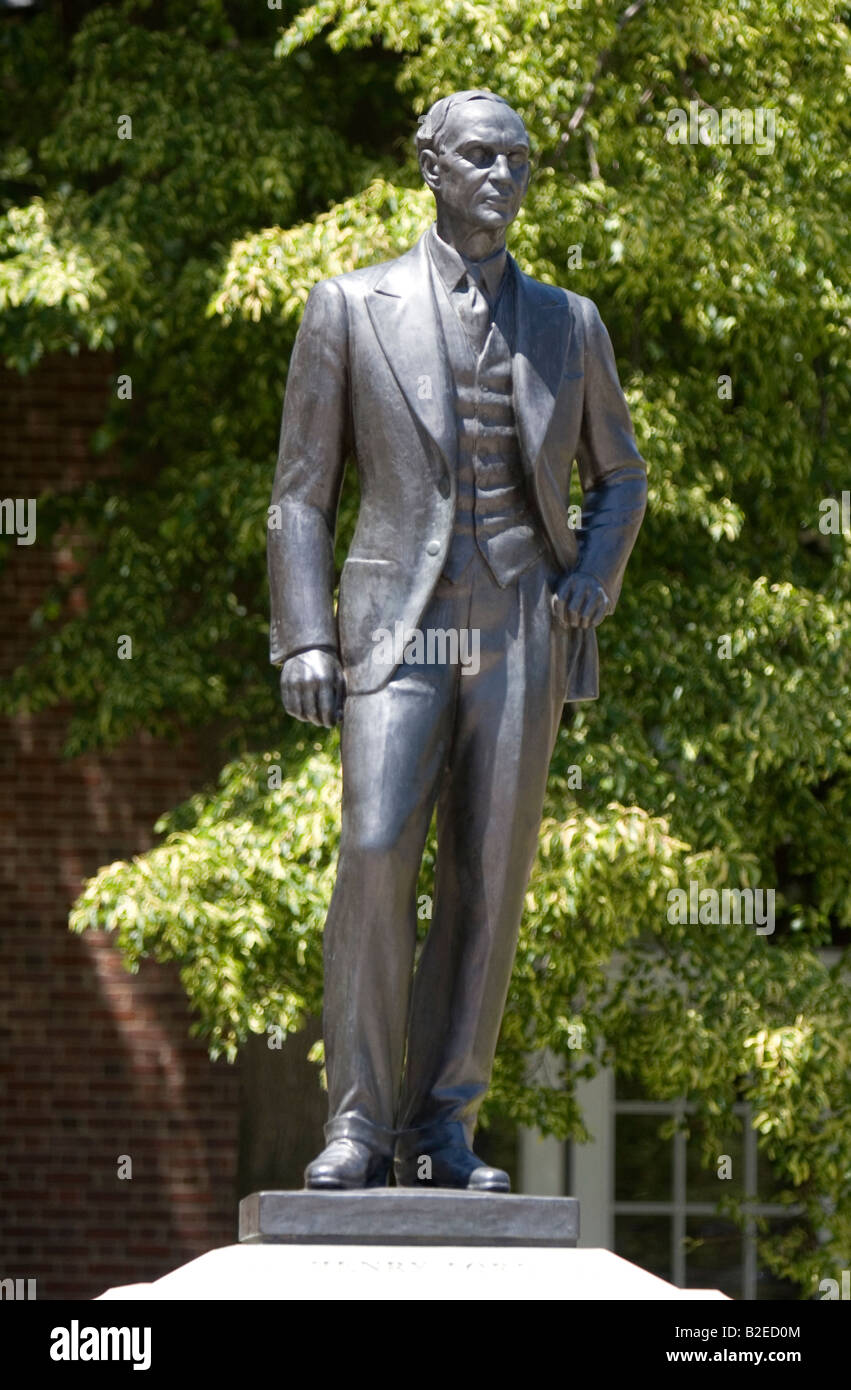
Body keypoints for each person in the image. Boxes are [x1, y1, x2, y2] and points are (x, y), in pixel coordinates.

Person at [268, 90, 647, 1190]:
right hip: (397, 624)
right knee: (375, 848)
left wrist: (592, 576)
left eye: (519, 160)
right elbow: (299, 496)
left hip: (522, 623)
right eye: (481, 155)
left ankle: (441, 1128)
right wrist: (304, 639)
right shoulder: (349, 305)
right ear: (430, 166)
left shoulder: (568, 322)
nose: (504, 175)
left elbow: (620, 478)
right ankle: (356, 1123)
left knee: (488, 877)